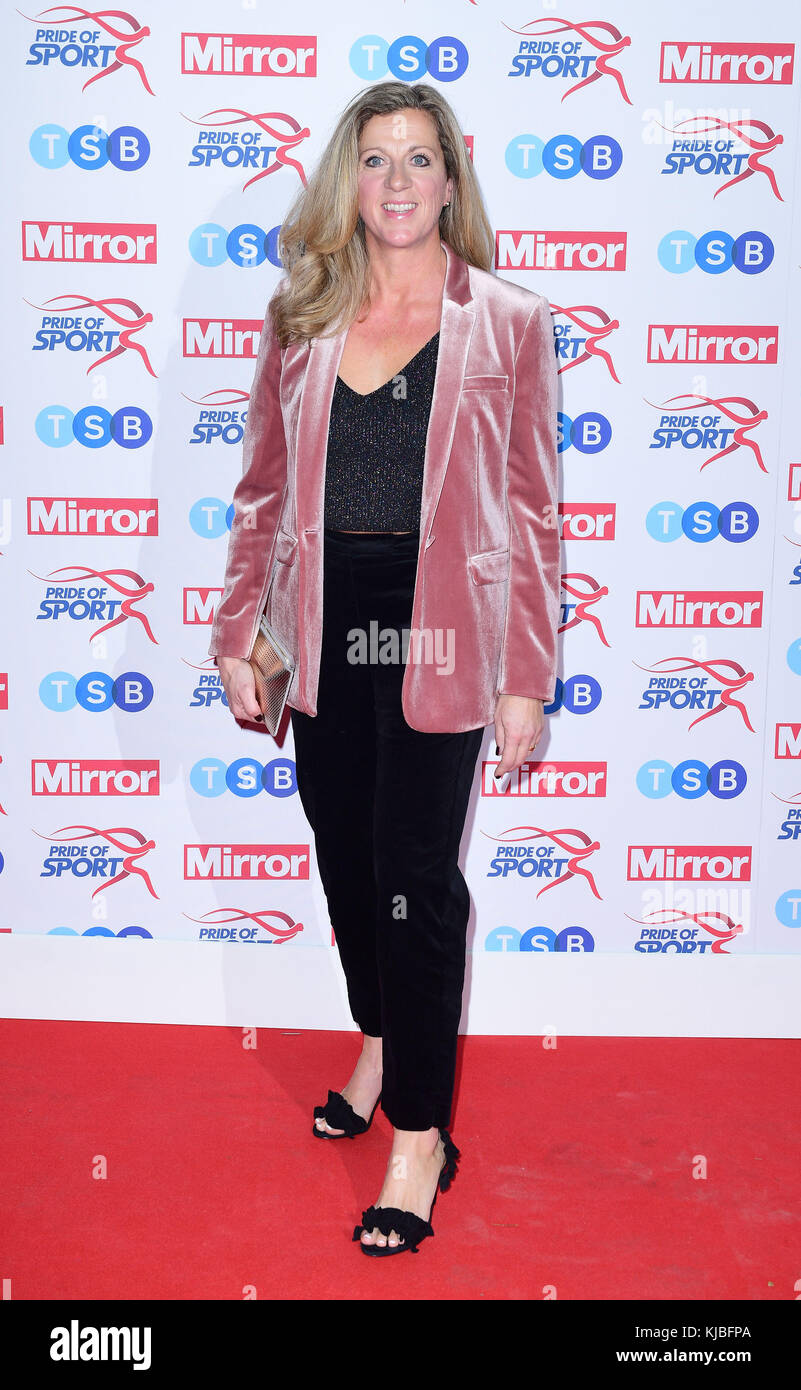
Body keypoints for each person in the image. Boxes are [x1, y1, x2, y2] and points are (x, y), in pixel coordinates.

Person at [209, 80, 560, 1256]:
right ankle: (376, 1035)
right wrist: (240, 631)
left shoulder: (507, 322)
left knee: (416, 877)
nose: (399, 183)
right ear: (346, 181)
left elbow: (532, 514)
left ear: (451, 182)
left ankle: (419, 1134)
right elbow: (263, 495)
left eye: (420, 160)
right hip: (324, 620)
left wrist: (527, 675)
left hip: (442, 626)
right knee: (346, 857)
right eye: (376, 160)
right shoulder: (303, 316)